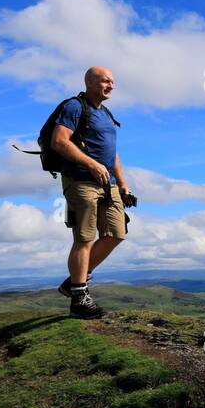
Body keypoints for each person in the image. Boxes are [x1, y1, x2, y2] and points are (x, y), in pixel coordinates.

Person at [51, 66, 131, 319]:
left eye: (113, 81)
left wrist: (123, 182)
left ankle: (74, 282)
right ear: (90, 82)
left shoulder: (106, 114)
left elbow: (112, 152)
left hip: (109, 184)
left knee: (116, 234)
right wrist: (91, 163)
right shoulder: (74, 107)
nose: (111, 85)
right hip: (81, 180)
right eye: (106, 80)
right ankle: (78, 299)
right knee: (84, 238)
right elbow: (59, 141)